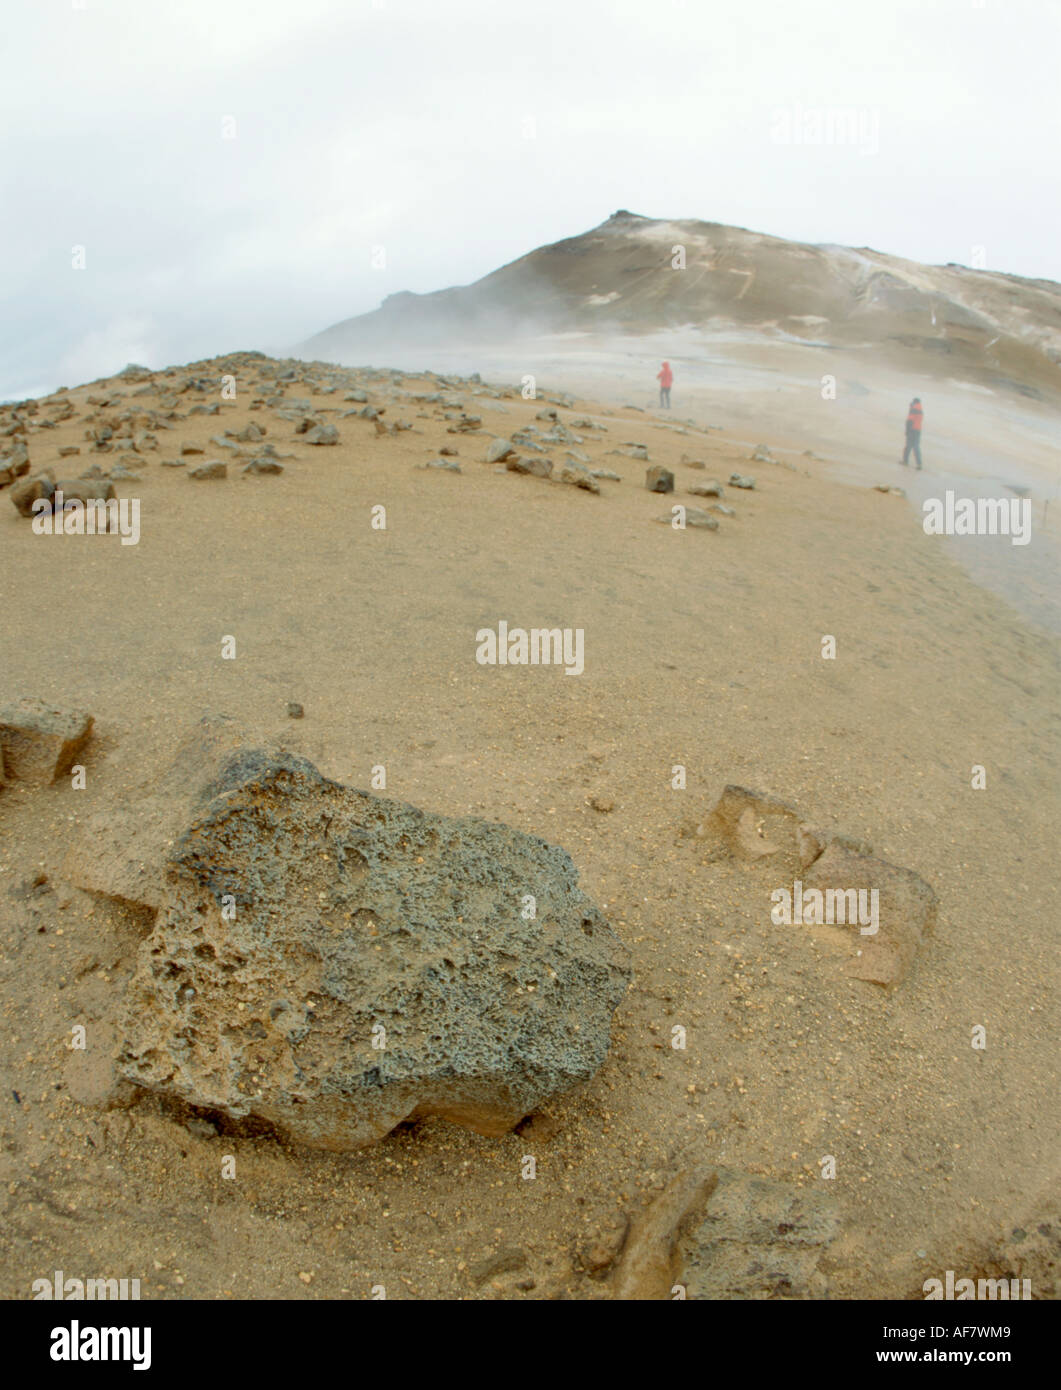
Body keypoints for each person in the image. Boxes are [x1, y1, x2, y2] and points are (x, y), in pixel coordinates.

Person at [902, 397, 923, 469]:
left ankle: (905, 461)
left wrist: (907, 430)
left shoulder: (914, 409)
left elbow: (910, 420)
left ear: (914, 402)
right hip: (918, 430)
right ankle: (919, 464)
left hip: (912, 430)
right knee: (916, 446)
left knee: (908, 446)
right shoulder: (920, 409)